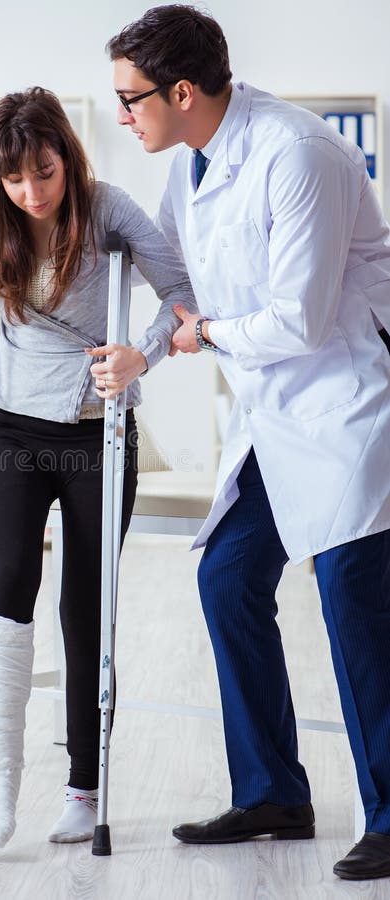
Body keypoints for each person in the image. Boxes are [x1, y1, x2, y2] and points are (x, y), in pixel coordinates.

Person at [107, 5, 390, 882]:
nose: (123, 116)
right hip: (274, 413)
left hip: (347, 402)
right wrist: (144, 352)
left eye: (131, 99)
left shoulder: (297, 154)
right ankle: (272, 790)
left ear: (181, 91)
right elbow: (183, 288)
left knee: (352, 600)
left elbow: (300, 321)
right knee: (227, 576)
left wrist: (200, 338)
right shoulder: (190, 169)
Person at [0, 86, 196, 849]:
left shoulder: (108, 209)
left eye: (45, 172)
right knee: (7, 582)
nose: (33, 193)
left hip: (94, 426)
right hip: (13, 428)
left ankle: (82, 787)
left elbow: (181, 295)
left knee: (85, 605)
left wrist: (139, 354)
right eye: (16, 179)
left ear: (66, 160)